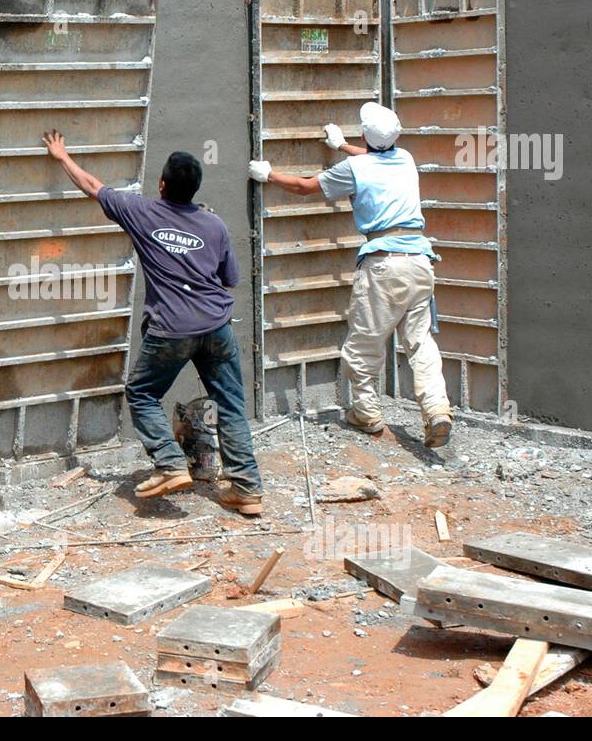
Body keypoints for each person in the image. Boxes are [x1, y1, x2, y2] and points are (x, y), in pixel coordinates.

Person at [42, 131, 265, 516]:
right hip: (216, 326)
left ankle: (170, 463)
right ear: (196, 189)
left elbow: (93, 187)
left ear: (161, 185)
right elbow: (229, 279)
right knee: (230, 402)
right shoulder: (215, 226)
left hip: (172, 329)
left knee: (142, 393)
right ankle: (246, 489)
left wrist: (62, 156)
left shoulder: (141, 212)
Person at [248, 102, 453, 448]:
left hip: (384, 264)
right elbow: (375, 156)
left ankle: (366, 412)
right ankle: (437, 410)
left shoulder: (355, 169)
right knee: (420, 343)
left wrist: (268, 174)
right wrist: (341, 146)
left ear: (364, 135)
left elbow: (304, 186)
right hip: (420, 261)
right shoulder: (405, 159)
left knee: (363, 342)